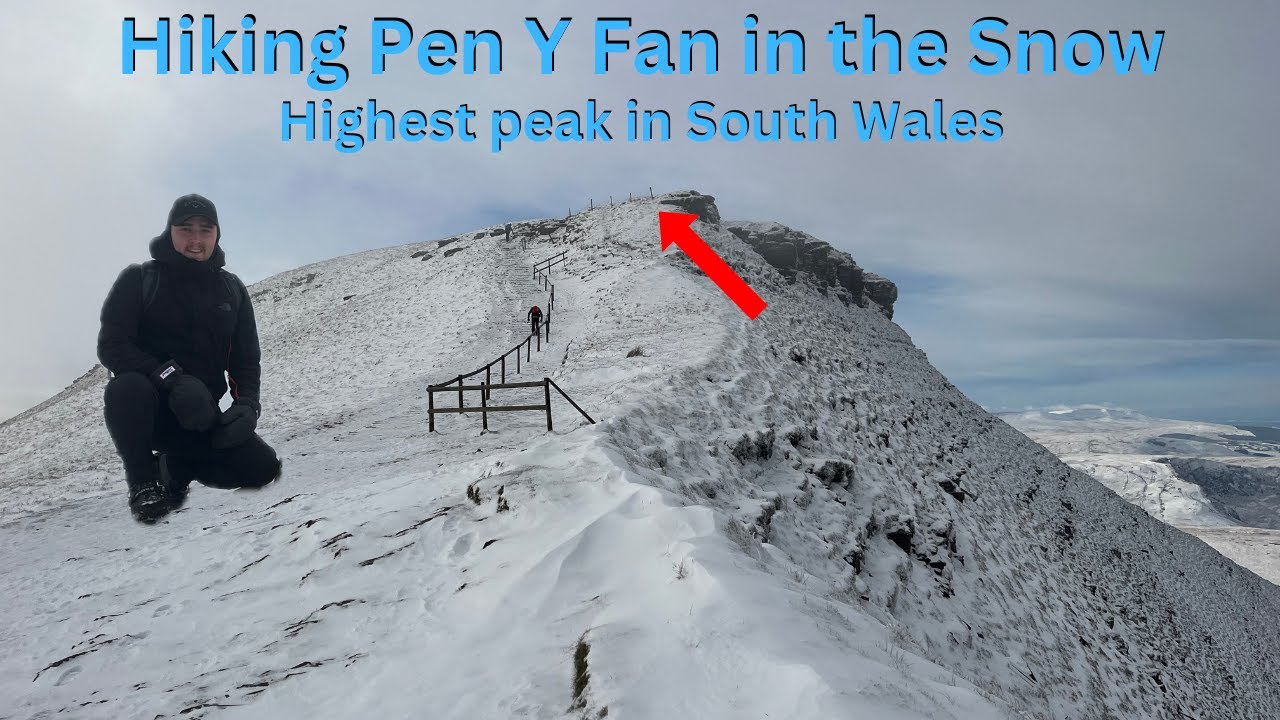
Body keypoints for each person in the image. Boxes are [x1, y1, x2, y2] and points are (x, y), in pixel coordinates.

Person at [97, 193, 282, 523]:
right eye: (186, 229)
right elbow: (112, 346)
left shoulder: (232, 290)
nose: (195, 240)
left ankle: (174, 467)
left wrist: (247, 405)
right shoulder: (140, 280)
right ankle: (144, 483)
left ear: (216, 235)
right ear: (170, 231)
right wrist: (172, 379)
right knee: (126, 387)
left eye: (205, 230)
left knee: (262, 467)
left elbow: (245, 359)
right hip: (150, 415)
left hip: (201, 416)